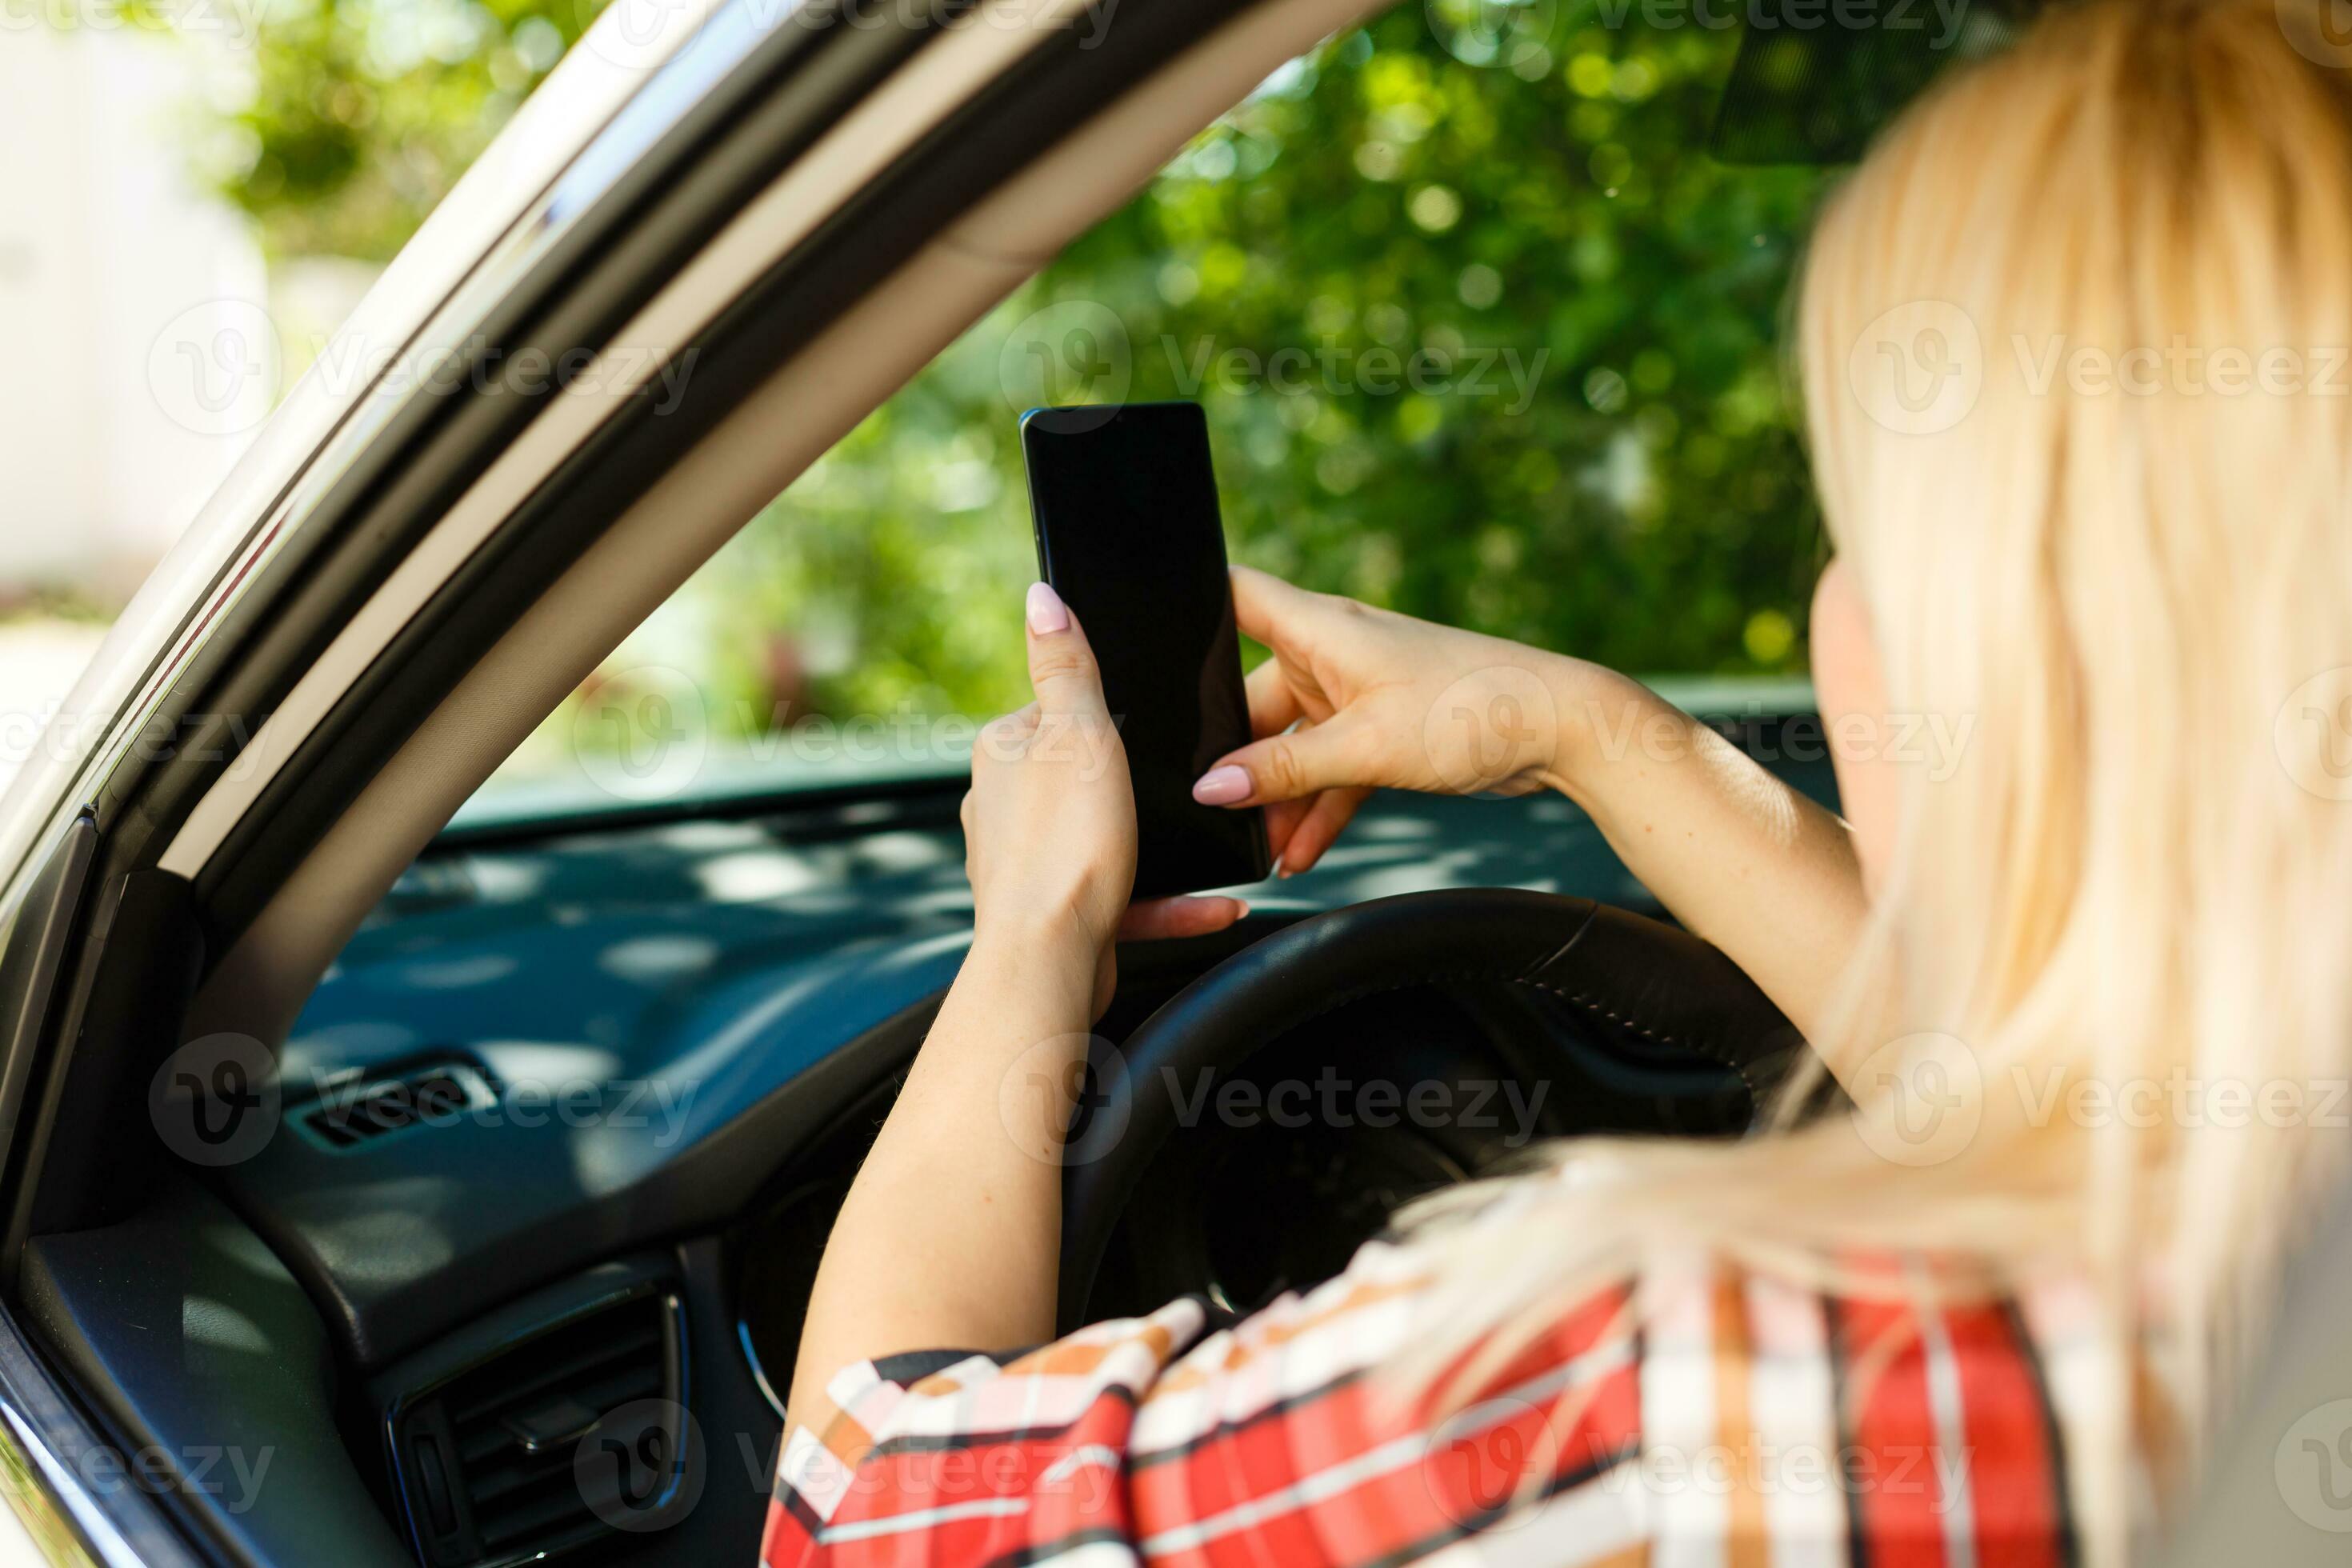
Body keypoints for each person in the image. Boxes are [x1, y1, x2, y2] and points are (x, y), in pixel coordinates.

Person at [762, 1, 2352, 1559]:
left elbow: (863, 1512)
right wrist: (1580, 725)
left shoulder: (1702, 1378)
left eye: (1867, 527)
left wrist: (1029, 936)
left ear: (2027, 645)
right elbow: (2034, 1094)